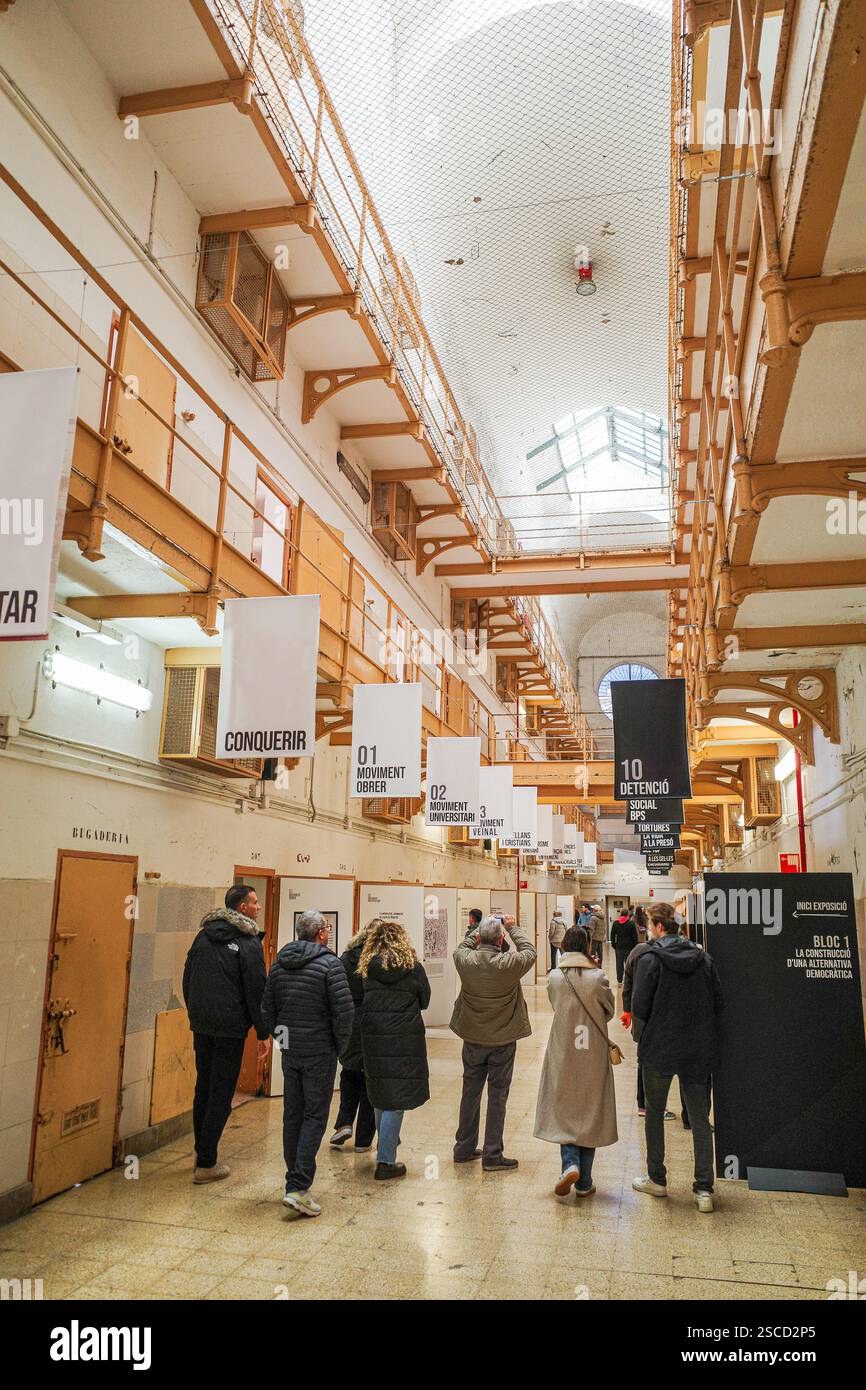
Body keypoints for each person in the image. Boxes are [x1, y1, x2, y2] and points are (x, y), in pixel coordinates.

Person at [631, 902, 724, 1213]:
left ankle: (657, 1179)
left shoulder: (650, 959)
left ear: (658, 927)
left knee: (655, 1114)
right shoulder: (704, 959)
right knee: (699, 1120)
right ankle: (704, 1189)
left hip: (659, 1048)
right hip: (698, 1049)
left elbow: (640, 1005)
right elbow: (718, 1002)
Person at [261, 909, 354, 1217]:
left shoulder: (279, 962)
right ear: (321, 934)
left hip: (292, 1052)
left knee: (293, 1115)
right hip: (319, 1053)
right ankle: (298, 1186)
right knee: (314, 1116)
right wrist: (338, 1048)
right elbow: (344, 1013)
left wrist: (283, 1043)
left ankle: (295, 1183)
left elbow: (268, 1009)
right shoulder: (331, 965)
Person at [183, 884, 268, 1184]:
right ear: (242, 908)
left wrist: (195, 1012)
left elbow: (187, 976)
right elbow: (256, 989)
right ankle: (207, 1164)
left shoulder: (203, 936)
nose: (258, 907)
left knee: (203, 1087)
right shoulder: (248, 943)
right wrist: (262, 1031)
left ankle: (200, 1151)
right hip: (230, 1029)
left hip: (202, 1024)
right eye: (255, 903)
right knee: (221, 1092)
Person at [534, 926, 617, 1197]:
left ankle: (569, 1162)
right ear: (586, 946)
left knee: (564, 1104)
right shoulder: (598, 978)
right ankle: (585, 1182)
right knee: (589, 1108)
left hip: (563, 1049)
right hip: (591, 1050)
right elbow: (609, 1010)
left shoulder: (555, 978)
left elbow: (556, 1005)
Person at [450, 913, 536, 1172]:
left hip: (473, 1037)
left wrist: (476, 931)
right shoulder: (509, 964)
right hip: (503, 1040)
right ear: (501, 939)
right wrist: (512, 927)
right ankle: (492, 1154)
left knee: (470, 1092)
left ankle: (463, 1148)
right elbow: (529, 950)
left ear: (478, 938)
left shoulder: (465, 960)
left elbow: (462, 946)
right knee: (498, 1096)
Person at [357, 918, 431, 1181]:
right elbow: (425, 1001)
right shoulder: (413, 968)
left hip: (374, 1037)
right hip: (404, 1039)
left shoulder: (366, 969)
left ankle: (387, 1144)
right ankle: (386, 1161)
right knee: (396, 1100)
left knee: (380, 1094)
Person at [329, 925, 375, 1153]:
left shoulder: (346, 958)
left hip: (348, 1021)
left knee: (349, 1072)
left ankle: (344, 1123)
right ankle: (364, 1140)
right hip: (372, 1022)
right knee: (370, 1079)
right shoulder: (378, 960)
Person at [610, 906, 638, 984]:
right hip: (629, 947)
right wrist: (635, 946)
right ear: (627, 914)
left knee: (619, 963)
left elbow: (612, 934)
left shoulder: (616, 923)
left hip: (619, 946)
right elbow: (635, 936)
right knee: (629, 963)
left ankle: (619, 980)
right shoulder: (631, 923)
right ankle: (629, 979)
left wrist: (613, 944)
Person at [588, 903, 606, 967]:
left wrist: (589, 938)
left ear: (595, 910)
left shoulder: (593, 917)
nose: (592, 910)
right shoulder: (602, 917)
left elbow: (591, 929)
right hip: (600, 937)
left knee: (593, 952)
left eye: (593, 909)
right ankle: (599, 965)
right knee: (600, 953)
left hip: (594, 938)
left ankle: (593, 965)